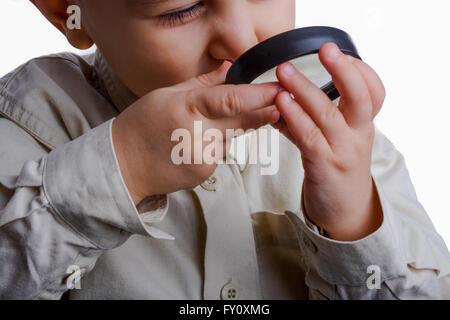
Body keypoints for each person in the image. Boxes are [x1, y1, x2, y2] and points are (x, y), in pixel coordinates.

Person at [0, 0, 449, 300]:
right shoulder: (29, 120)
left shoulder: (345, 142)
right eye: (182, 9)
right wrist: (126, 167)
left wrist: (352, 221)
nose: (242, 41)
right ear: (65, 10)